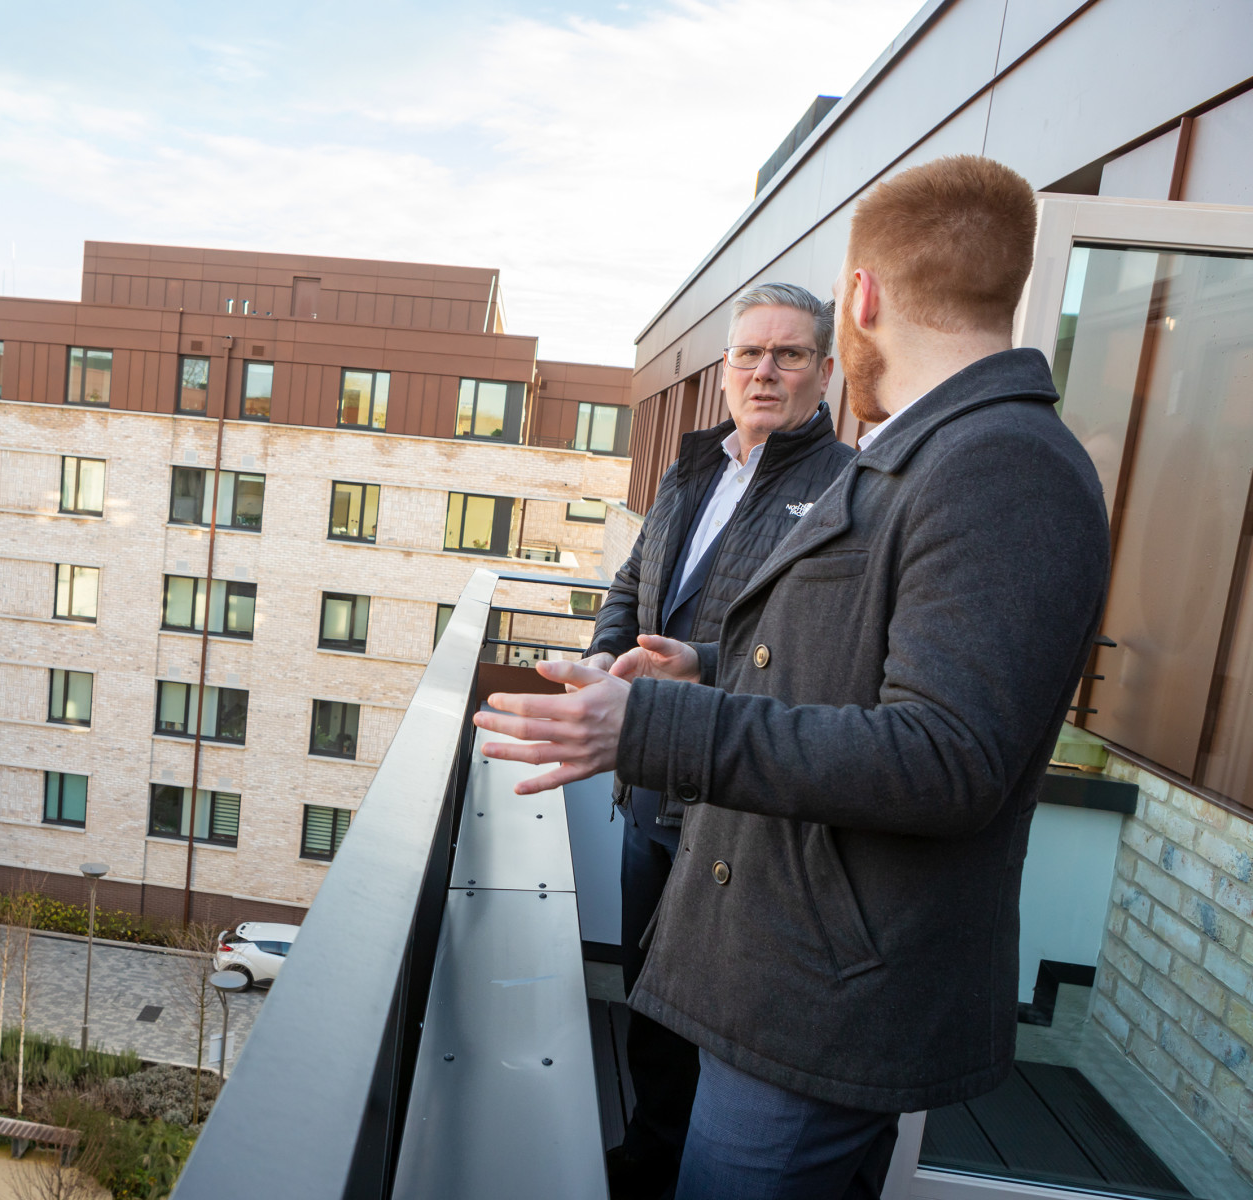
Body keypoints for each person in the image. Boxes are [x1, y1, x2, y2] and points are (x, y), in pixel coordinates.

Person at [475, 154, 1110, 1198]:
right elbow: (862, 667)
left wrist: (651, 728)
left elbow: (948, 756)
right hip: (795, 967)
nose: (766, 372)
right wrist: (708, 665)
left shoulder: (1000, 467)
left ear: (859, 299)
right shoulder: (933, 452)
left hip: (822, 995)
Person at [583, 282, 853, 1197]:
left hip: (733, 795)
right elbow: (632, 582)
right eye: (749, 354)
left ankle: (692, 1160)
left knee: (710, 1010)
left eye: (788, 355)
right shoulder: (691, 470)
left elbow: (810, 657)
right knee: (647, 994)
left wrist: (693, 661)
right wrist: (602, 659)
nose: (764, 371)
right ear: (724, 370)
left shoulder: (842, 488)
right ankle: (653, 1155)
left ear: (825, 370)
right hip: (646, 779)